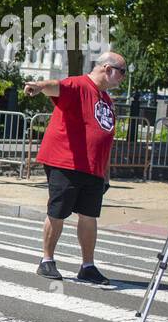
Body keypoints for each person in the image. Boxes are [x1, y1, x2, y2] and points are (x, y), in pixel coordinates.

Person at [23, 51, 127, 286]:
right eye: (122, 72)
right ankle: (46, 260)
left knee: (89, 217)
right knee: (58, 212)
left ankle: (87, 266)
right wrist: (39, 85)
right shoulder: (79, 84)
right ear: (107, 69)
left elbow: (104, 137)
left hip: (93, 169)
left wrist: (105, 172)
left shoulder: (106, 99)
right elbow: (56, 86)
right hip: (66, 162)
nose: (123, 77)